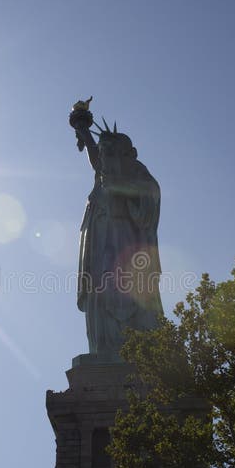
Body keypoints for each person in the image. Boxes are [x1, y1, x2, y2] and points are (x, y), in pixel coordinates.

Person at [70, 103, 163, 361]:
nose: (105, 158)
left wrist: (120, 187)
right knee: (100, 291)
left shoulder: (135, 171)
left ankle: (141, 349)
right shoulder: (104, 172)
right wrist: (84, 132)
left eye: (112, 152)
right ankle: (105, 348)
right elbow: (95, 159)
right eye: (104, 152)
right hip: (100, 241)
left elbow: (149, 196)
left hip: (127, 241)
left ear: (128, 153)